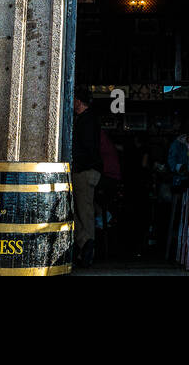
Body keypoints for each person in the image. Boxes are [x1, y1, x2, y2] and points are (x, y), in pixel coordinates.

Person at [71, 88, 102, 268]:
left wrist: (79, 165)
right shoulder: (86, 120)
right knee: (84, 212)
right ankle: (86, 246)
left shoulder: (86, 121)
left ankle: (86, 246)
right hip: (86, 170)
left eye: (74, 99)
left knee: (81, 211)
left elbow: (87, 150)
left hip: (84, 172)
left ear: (79, 101)